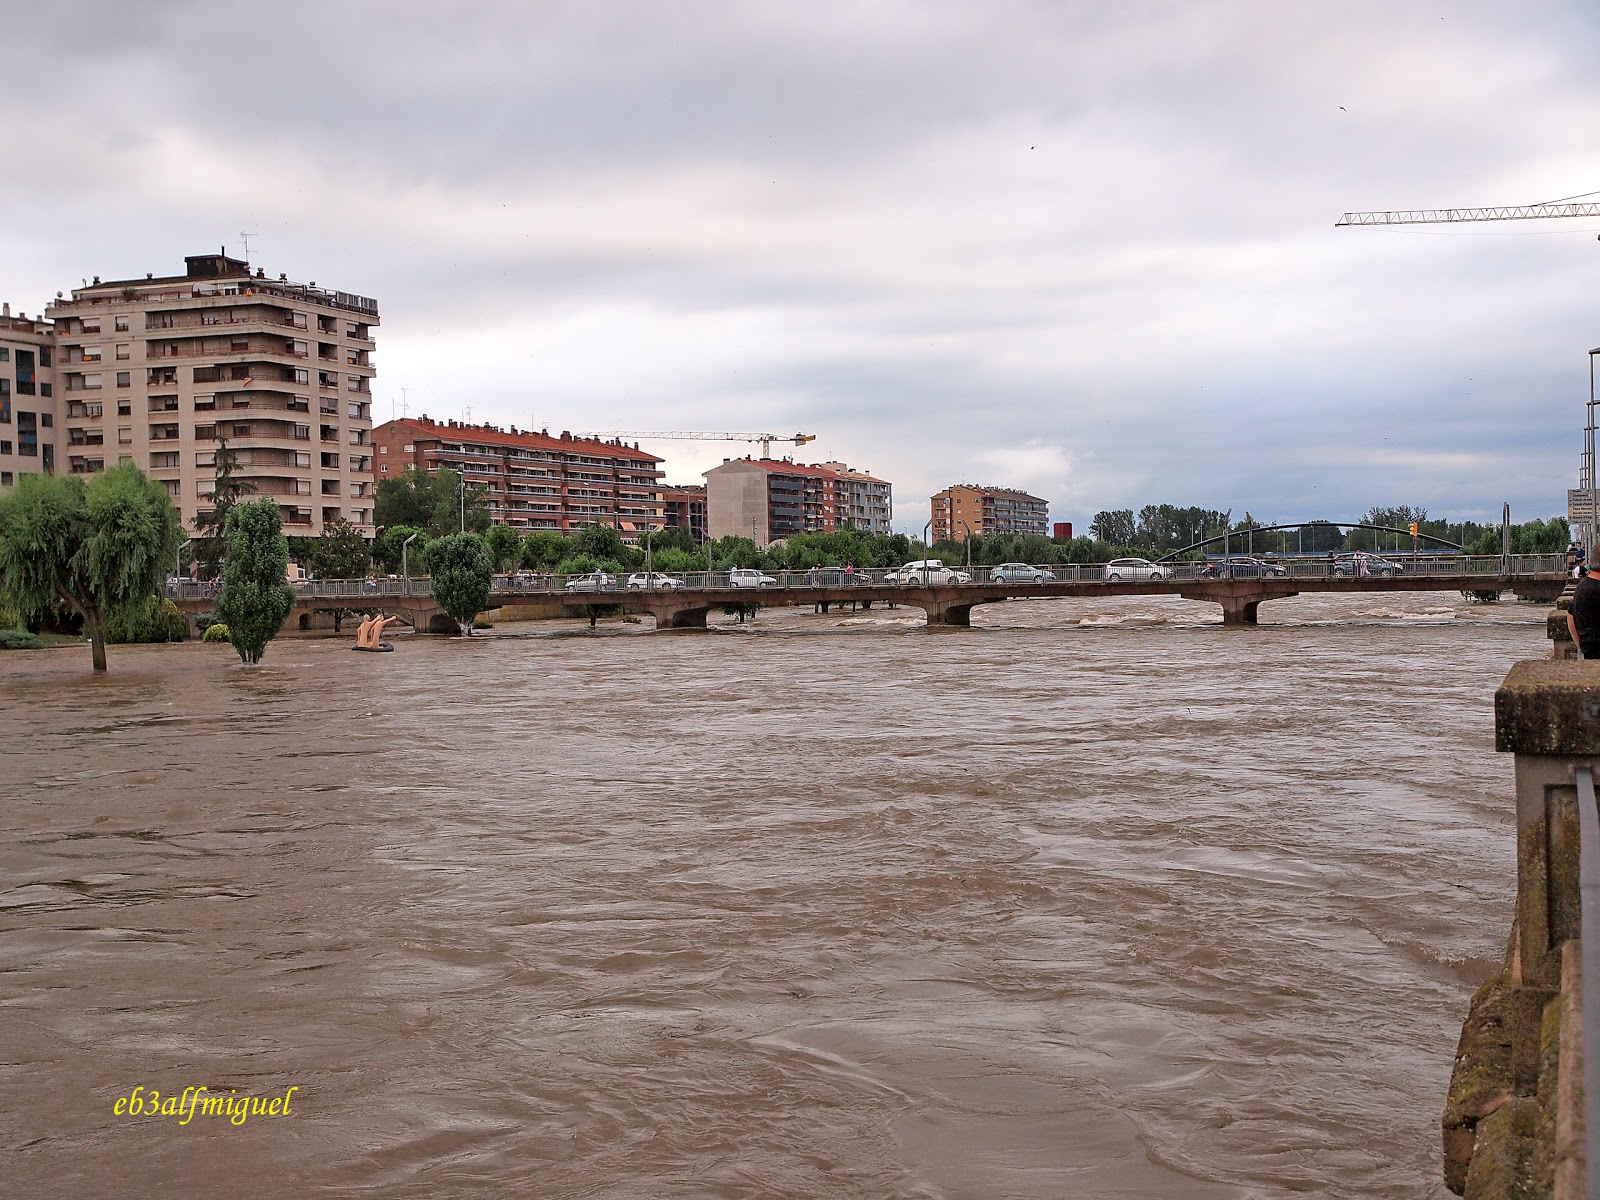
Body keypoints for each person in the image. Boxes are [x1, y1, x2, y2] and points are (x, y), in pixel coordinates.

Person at [1568, 551, 1600, 659]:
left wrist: (1580, 647)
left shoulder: (1583, 586)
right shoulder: (1595, 589)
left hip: (1589, 655)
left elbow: (1570, 616)